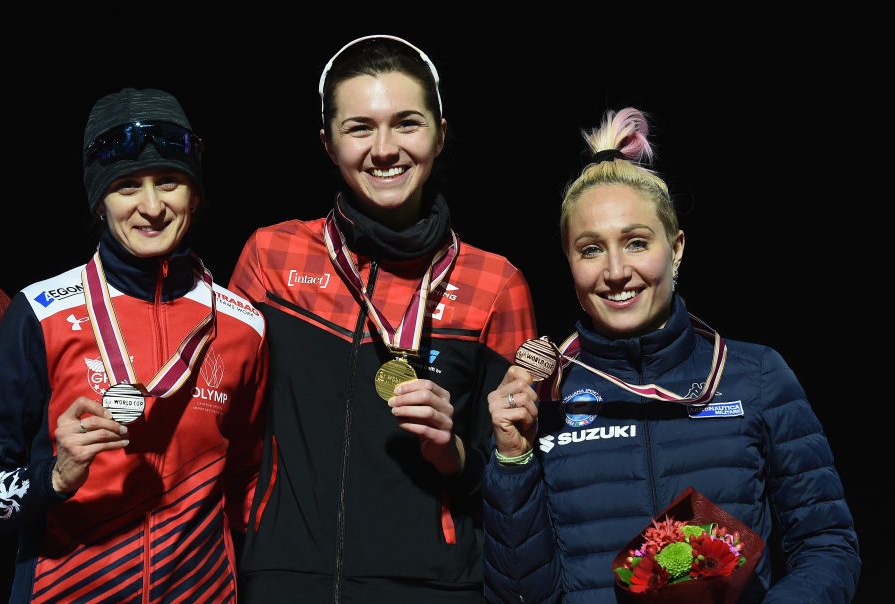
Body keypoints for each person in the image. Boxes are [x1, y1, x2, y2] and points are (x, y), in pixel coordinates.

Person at [483, 107, 860, 603]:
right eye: (591, 249)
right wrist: (513, 460)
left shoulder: (756, 376)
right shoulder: (546, 396)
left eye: (637, 243)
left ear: (676, 247)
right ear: (569, 261)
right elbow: (519, 594)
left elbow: (828, 545)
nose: (616, 271)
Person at [228, 36, 536, 603]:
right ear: (327, 143)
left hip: (434, 587)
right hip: (284, 580)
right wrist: (264, 540)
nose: (385, 148)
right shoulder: (271, 258)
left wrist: (454, 455)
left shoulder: (496, 285)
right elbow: (232, 431)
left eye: (407, 124)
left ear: (442, 133)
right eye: (360, 127)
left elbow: (516, 476)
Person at [0, 88, 267, 603]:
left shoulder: (244, 326)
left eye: (169, 182)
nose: (152, 207)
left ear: (196, 194)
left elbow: (249, 489)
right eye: (126, 186)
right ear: (99, 201)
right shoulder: (42, 313)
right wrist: (53, 477)